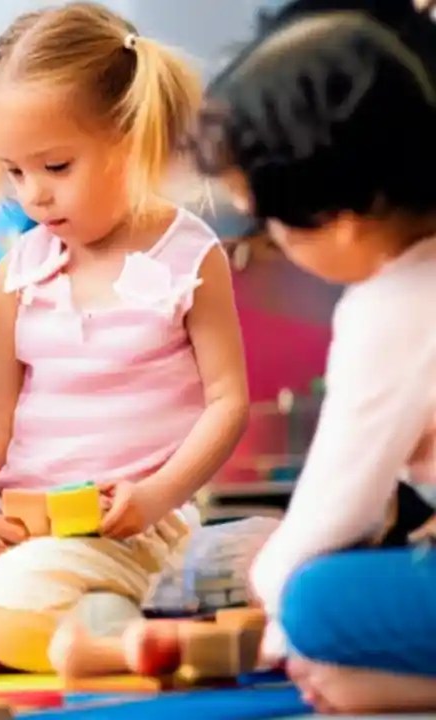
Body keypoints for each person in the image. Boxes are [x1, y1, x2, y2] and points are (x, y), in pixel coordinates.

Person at [0, 1, 249, 675]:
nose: (35, 196)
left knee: (12, 598)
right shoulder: (19, 273)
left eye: (56, 167)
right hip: (22, 527)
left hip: (138, 528)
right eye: (16, 172)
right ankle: (70, 636)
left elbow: (227, 403)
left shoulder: (189, 257)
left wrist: (158, 494)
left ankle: (108, 637)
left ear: (128, 133)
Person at [192, 1, 436, 712]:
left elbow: (337, 509)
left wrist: (271, 606)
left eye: (270, 218)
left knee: (314, 597)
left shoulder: (391, 308)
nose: (269, 238)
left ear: (341, 215)